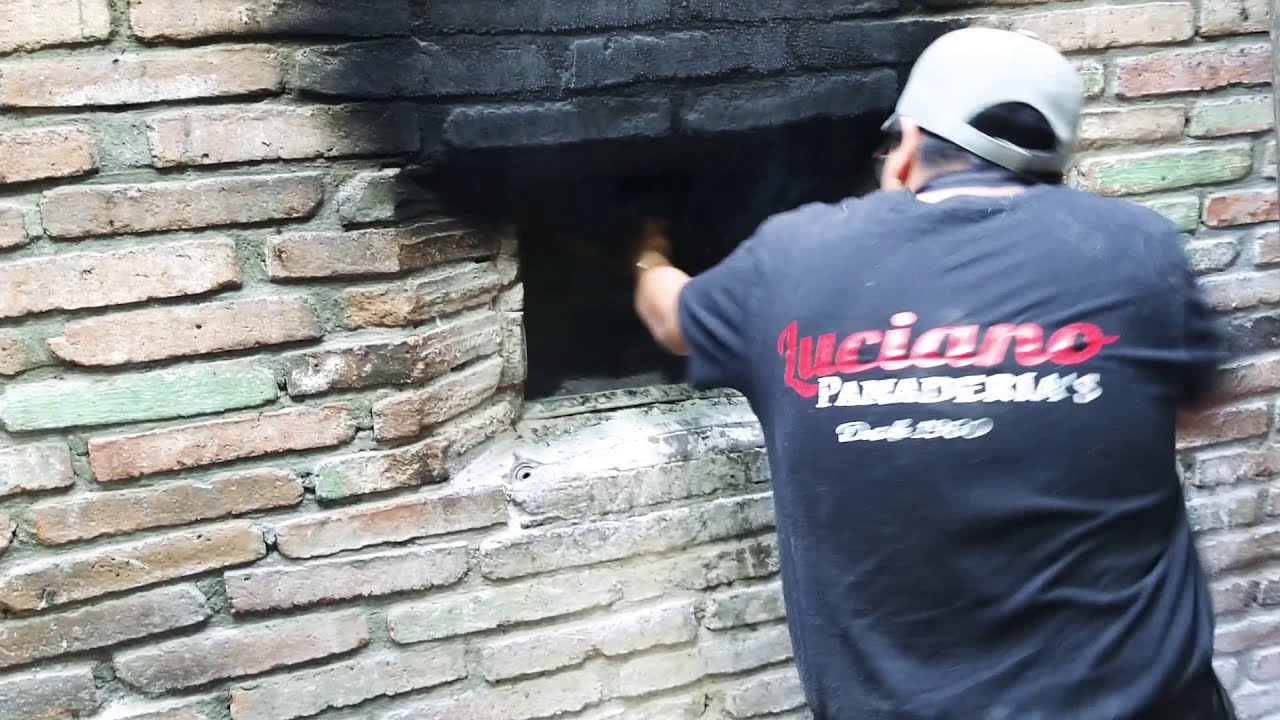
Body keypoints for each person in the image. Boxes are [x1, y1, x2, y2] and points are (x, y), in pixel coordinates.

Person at [631, 27, 1235, 720]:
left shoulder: (792, 258)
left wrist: (647, 249)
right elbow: (1192, 404)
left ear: (910, 141)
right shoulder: (1140, 249)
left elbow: (670, 320)